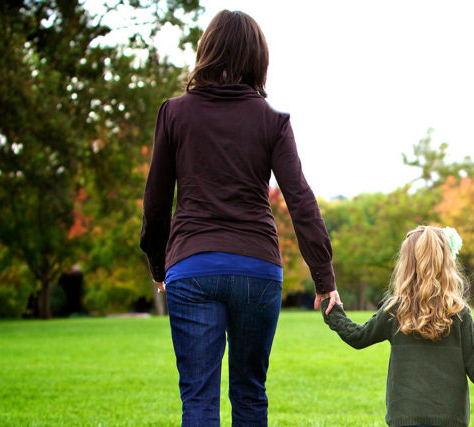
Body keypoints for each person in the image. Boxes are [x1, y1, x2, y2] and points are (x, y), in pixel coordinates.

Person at [139, 10, 341, 426]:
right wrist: (324, 278)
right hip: (257, 269)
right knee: (250, 394)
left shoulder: (174, 114)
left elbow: (156, 202)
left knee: (198, 397)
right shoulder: (272, 121)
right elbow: (301, 201)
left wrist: (158, 264)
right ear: (258, 58)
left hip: (191, 267)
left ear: (206, 52)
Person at [320, 226, 474, 426]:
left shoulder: (395, 310)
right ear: (447, 263)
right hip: (449, 418)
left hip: (405, 415)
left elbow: (358, 337)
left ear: (406, 265)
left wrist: (332, 309)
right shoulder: (459, 312)